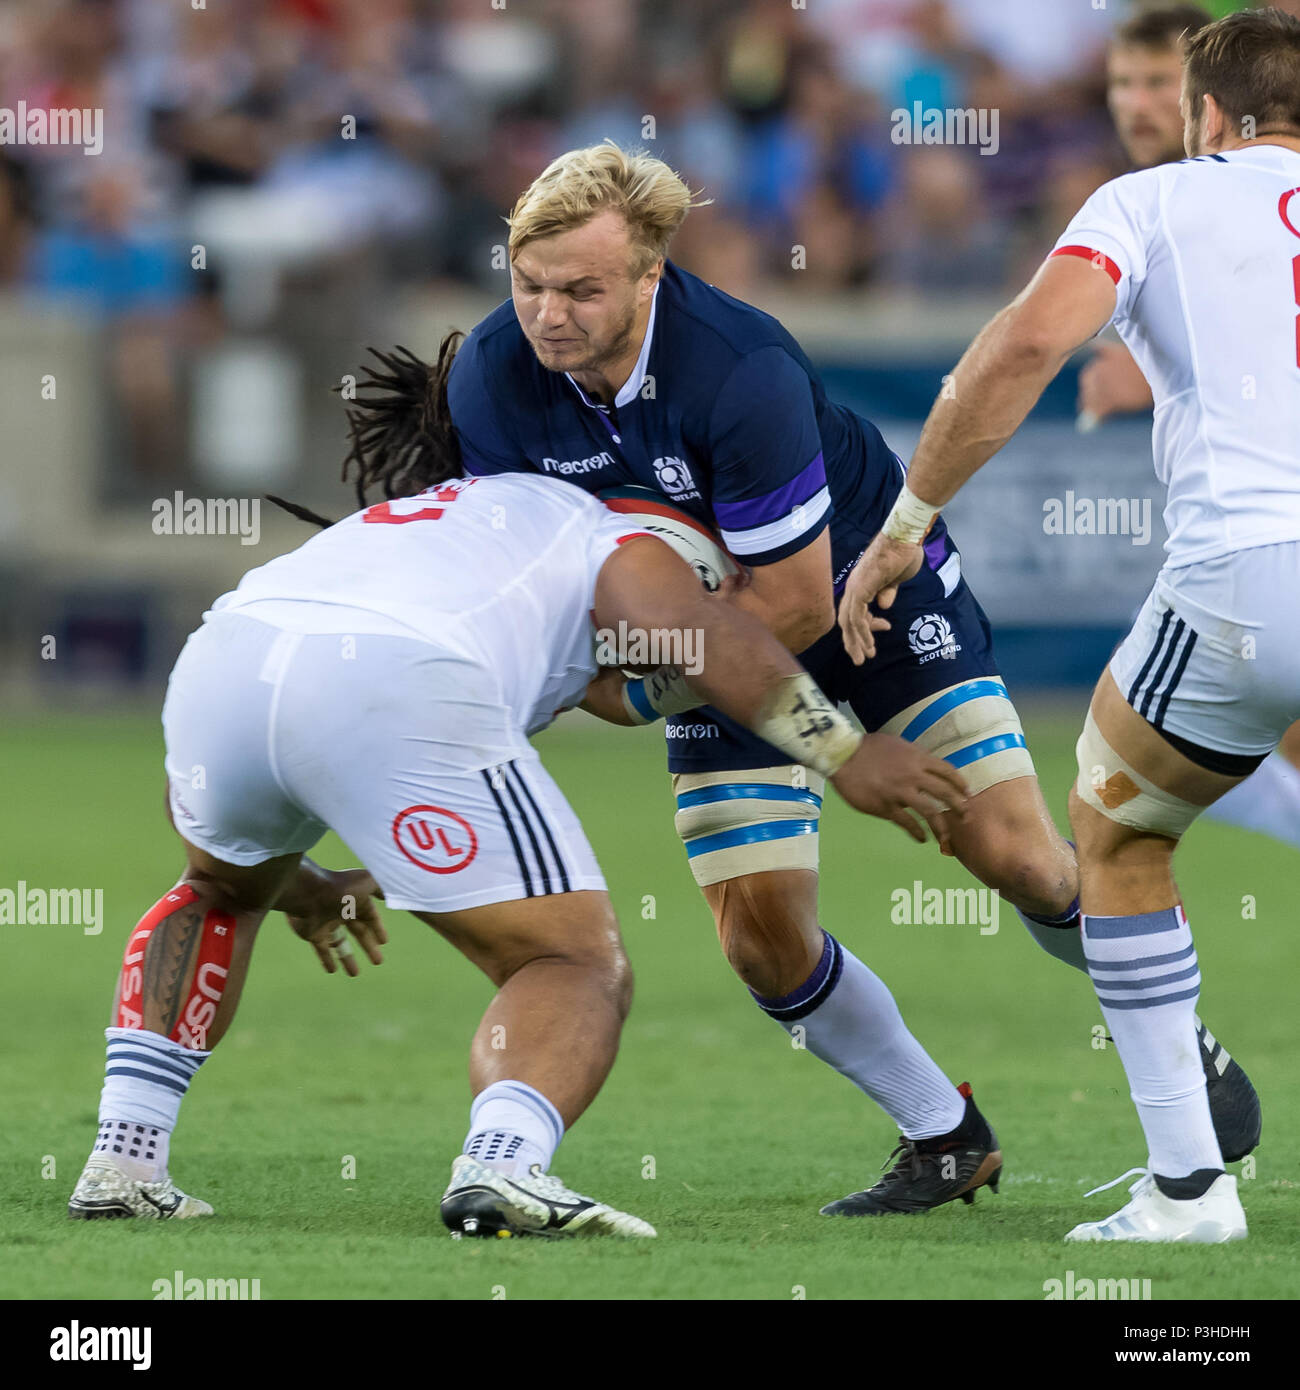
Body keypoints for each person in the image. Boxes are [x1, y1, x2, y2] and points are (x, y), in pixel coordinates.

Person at [434, 140, 1254, 1216]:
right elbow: (525, 566)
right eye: (529, 285)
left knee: (1006, 848)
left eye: (582, 290)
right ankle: (943, 1134)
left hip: (864, 595)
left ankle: (1162, 1019)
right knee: (761, 938)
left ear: (651, 275)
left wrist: (634, 693)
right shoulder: (491, 377)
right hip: (711, 637)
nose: (548, 314)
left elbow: (794, 607)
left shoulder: (737, 366)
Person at [67, 339, 969, 1238]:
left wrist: (307, 888)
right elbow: (699, 634)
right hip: (399, 684)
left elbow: (200, 804)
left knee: (216, 892)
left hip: (226, 654)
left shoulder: (415, 522)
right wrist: (844, 753)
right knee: (568, 961)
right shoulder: (607, 530)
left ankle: (125, 1158)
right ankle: (503, 1168)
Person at [839, 7, 1300, 1242]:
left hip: (1253, 571)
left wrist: (906, 521)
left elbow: (1019, 349)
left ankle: (1191, 1191)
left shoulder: (1149, 203)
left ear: (1208, 115)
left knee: (1114, 824)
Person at [1079, 2, 1300, 853]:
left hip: (1246, 534)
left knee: (1116, 807)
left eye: (1157, 85)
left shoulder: (1177, 194)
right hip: (1224, 514)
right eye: (1121, 84)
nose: (1137, 104)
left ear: (1210, 99)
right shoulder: (1149, 196)